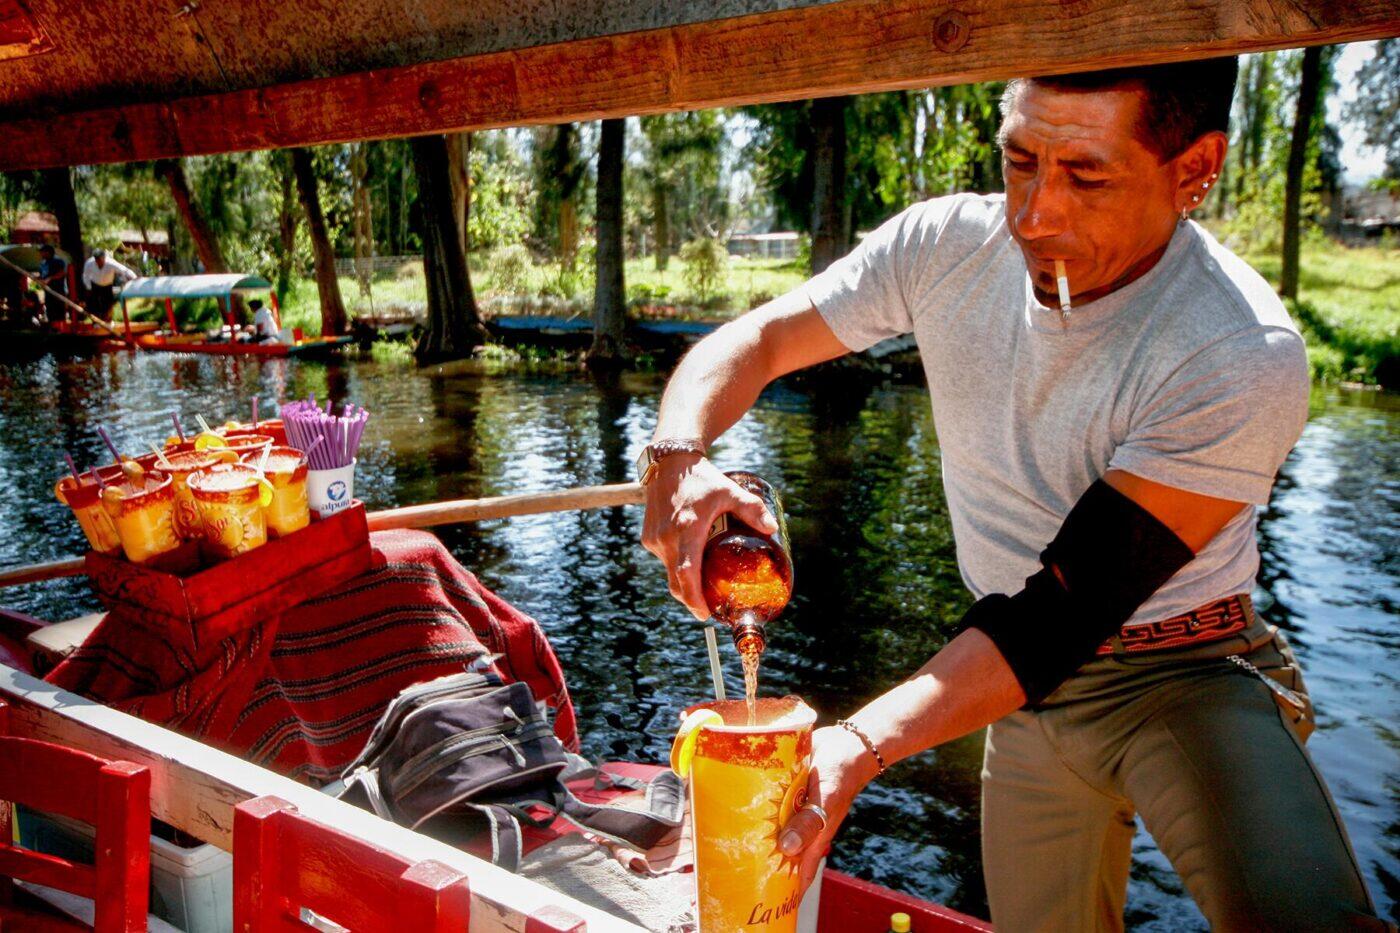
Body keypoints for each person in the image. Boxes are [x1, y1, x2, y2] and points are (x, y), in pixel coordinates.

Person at [639, 58, 1383, 931]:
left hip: (1185, 672)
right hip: (1015, 690)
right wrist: (678, 455)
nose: (1032, 215)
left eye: (1086, 176)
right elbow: (761, 339)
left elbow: (1062, 609)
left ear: (1196, 169)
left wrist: (861, 743)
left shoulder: (1239, 351)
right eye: (1020, 160)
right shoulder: (944, 247)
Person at [82, 247, 137, 322]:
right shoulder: (89, 263)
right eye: (97, 259)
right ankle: (95, 322)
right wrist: (89, 287)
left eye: (100, 259)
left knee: (107, 305)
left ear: (104, 257)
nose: (98, 261)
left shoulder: (111, 263)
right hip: (94, 285)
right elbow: (85, 275)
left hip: (107, 286)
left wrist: (134, 278)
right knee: (94, 305)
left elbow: (124, 270)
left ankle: (108, 321)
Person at [35, 244, 68, 325]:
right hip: (47, 291)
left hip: (57, 290)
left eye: (42, 252)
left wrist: (50, 278)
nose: (41, 254)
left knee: (59, 310)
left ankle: (61, 326)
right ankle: (52, 326)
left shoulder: (57, 261)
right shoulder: (43, 263)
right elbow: (42, 275)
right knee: (50, 309)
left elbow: (62, 273)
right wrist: (38, 278)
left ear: (48, 252)